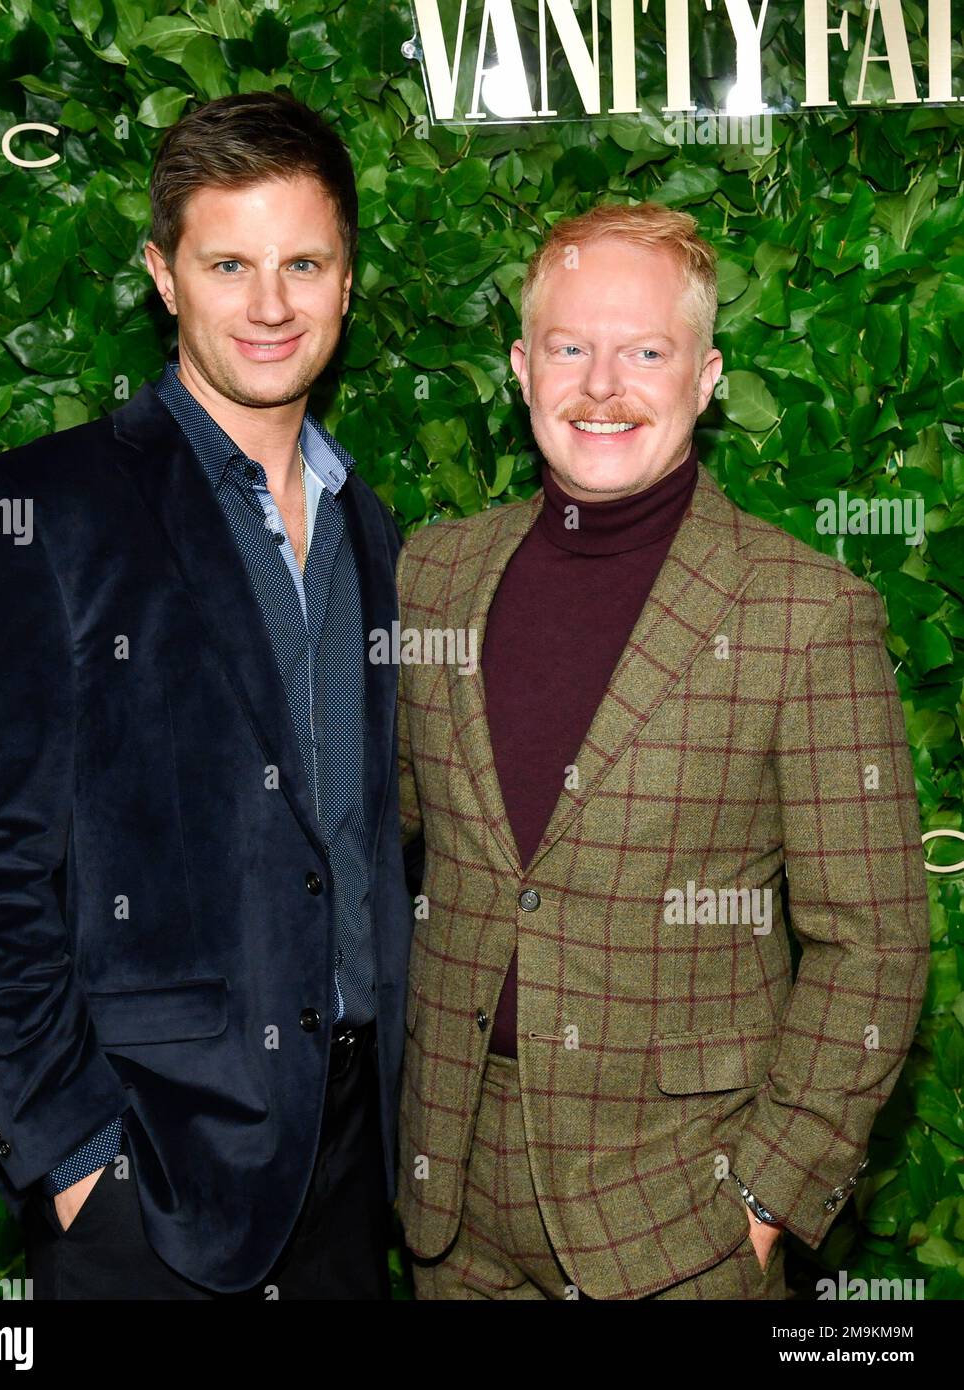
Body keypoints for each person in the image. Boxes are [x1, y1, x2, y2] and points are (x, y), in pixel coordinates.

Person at [0, 91, 412, 1299]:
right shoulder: (45, 509)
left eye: (303, 261)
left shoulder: (375, 531)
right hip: (150, 1166)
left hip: (358, 1161)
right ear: (163, 275)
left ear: (346, 279)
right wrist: (79, 1154)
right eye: (228, 263)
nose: (271, 302)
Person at [394, 200, 930, 1299]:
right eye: (569, 347)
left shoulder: (802, 612)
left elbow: (871, 941)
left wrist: (765, 1200)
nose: (601, 387)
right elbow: (393, 841)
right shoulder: (431, 576)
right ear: (519, 366)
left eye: (645, 350)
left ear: (705, 377)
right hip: (453, 1210)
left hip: (676, 1221)